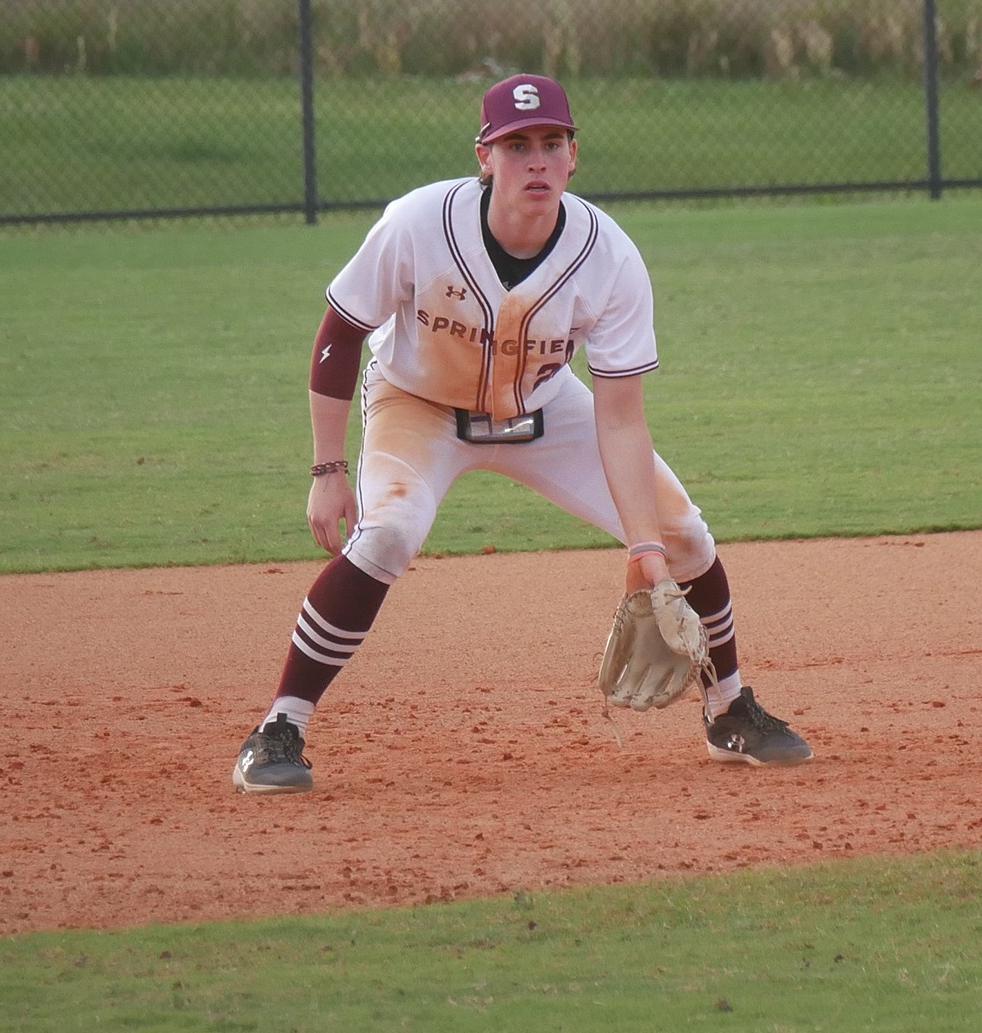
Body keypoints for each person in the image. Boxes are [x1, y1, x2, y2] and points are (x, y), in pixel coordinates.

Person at [232, 74, 812, 794]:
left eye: (550, 143)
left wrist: (645, 551)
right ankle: (278, 729)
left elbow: (621, 414)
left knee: (685, 538)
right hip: (418, 404)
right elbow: (340, 332)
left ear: (573, 157)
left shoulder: (609, 256)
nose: (535, 160)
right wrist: (326, 469)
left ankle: (729, 710)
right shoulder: (417, 224)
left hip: (544, 409)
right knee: (386, 536)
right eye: (516, 145)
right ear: (485, 157)